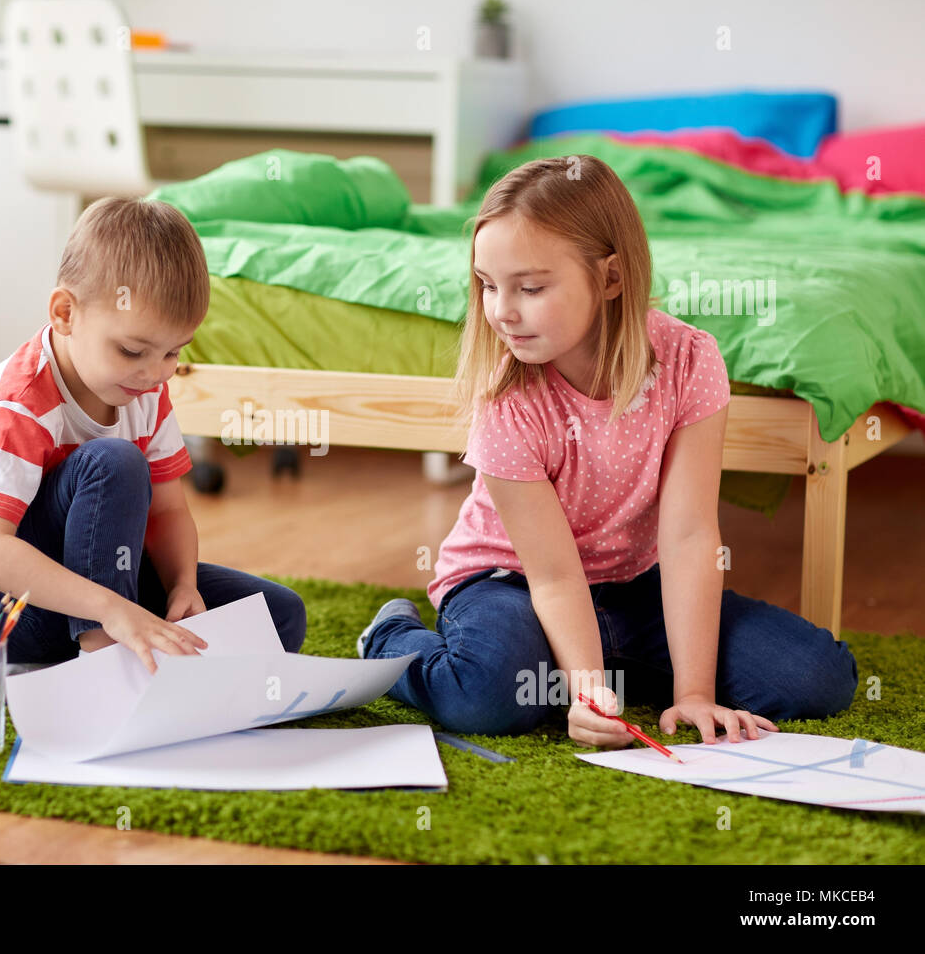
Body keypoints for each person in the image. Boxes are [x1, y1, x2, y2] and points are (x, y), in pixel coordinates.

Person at [358, 155, 856, 748]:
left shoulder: (690, 361)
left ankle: (602, 668)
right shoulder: (509, 401)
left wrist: (694, 691)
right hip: (512, 582)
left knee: (815, 677)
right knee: (490, 696)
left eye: (531, 287)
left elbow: (690, 535)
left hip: (633, 586)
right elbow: (554, 576)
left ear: (611, 278)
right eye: (488, 287)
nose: (502, 312)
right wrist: (592, 695)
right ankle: (391, 637)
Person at [0, 197, 306, 672]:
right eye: (133, 350)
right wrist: (111, 611)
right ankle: (100, 656)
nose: (156, 374)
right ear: (65, 314)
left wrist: (182, 586)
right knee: (113, 461)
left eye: (174, 353)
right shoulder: (12, 405)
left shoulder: (144, 389)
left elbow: (169, 509)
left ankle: (122, 638)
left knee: (278, 617)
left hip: (100, 582)